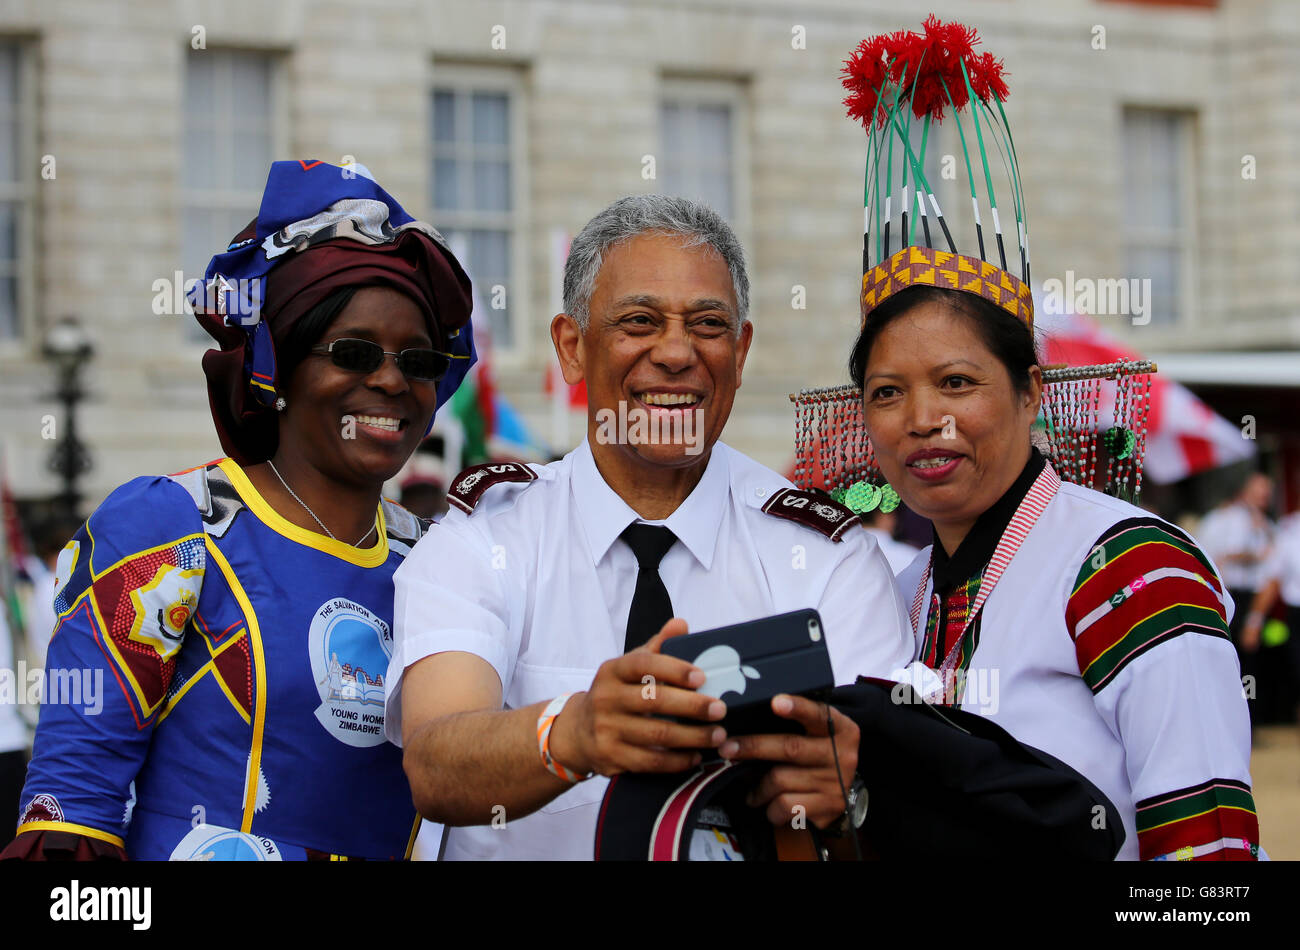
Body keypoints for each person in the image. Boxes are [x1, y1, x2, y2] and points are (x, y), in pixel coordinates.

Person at [838, 18, 1258, 860]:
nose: (923, 418)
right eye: (888, 393)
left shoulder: (1129, 567)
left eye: (957, 382)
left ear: (1032, 390)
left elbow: (1210, 872)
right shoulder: (896, 591)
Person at [386, 194, 914, 860]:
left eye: (708, 324)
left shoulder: (829, 561)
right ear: (572, 348)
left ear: (742, 351)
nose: (674, 351)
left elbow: (889, 802)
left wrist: (845, 805)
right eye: (638, 320)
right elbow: (434, 764)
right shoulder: (486, 538)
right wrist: (573, 732)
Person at [3, 160, 475, 860]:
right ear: (276, 368)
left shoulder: (442, 561)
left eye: (418, 361)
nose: (390, 379)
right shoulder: (171, 529)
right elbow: (72, 817)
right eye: (353, 352)